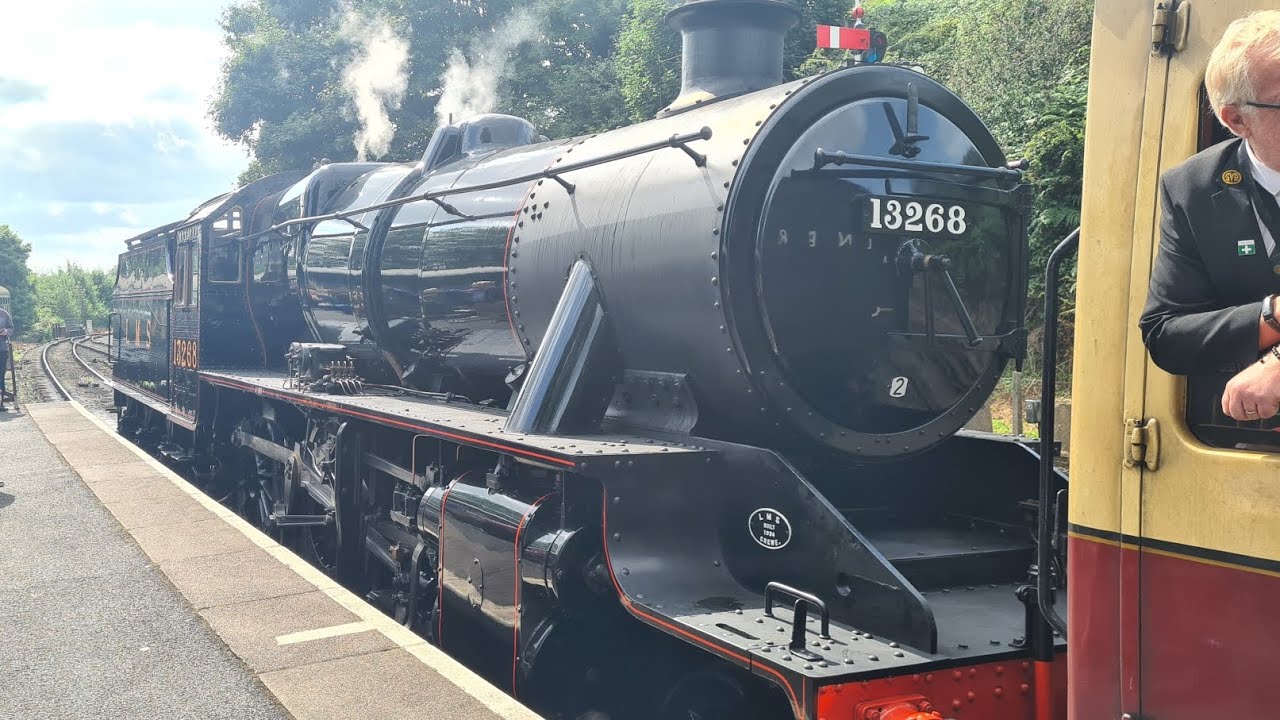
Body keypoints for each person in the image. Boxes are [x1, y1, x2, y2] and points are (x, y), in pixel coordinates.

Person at [1139, 10, 1280, 422]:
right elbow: (1166, 335)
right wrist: (1270, 316)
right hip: (1241, 444)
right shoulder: (1192, 188)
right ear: (1236, 119)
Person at [0, 305, 12, 411]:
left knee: (0, 376)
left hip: (2, 350)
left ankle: (0, 403)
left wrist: (6, 332)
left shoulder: (4, 313)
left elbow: (11, 328)